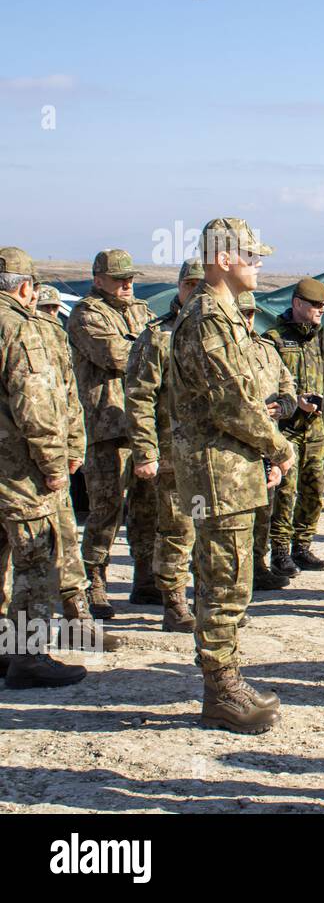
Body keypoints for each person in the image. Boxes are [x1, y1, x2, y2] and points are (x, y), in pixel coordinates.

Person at [170, 218, 296, 734]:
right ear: (223, 258)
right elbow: (232, 404)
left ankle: (225, 679)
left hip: (231, 470)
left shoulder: (223, 315)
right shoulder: (208, 318)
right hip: (217, 473)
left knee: (233, 579)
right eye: (251, 255)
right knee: (223, 583)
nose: (259, 265)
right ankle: (221, 689)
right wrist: (279, 445)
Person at [0, 247, 89, 688]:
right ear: (25, 287)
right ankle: (27, 656)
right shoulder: (19, 328)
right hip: (18, 474)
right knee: (34, 565)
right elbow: (33, 404)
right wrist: (54, 464)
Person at [65, 249, 158, 612]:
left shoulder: (141, 310)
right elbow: (119, 356)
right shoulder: (86, 314)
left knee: (146, 507)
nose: (127, 285)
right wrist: (151, 349)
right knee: (105, 508)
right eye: (119, 279)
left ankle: (145, 578)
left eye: (130, 278)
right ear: (98, 279)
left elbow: (155, 353)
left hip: (142, 425)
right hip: (107, 426)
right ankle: (95, 581)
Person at [125, 258, 205, 631]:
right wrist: (145, 451)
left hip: (212, 455)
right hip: (173, 452)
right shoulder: (159, 336)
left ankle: (208, 599)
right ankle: (174, 602)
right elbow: (139, 396)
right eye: (190, 284)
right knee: (177, 529)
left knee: (211, 530)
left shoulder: (218, 333)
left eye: (202, 284)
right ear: (179, 287)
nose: (196, 291)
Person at [265, 278, 324, 578]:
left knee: (314, 490)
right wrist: (295, 403)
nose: (321, 310)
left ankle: (302, 545)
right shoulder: (274, 339)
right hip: (287, 429)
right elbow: (267, 386)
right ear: (297, 304)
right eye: (316, 305)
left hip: (318, 430)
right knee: (285, 492)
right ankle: (279, 551)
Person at [242, 293, 298, 595]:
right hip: (236, 445)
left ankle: (258, 567)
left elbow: (287, 385)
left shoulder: (266, 350)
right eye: (242, 313)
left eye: (251, 313)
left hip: (268, 440)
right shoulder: (222, 349)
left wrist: (286, 405)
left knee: (265, 508)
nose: (247, 319)